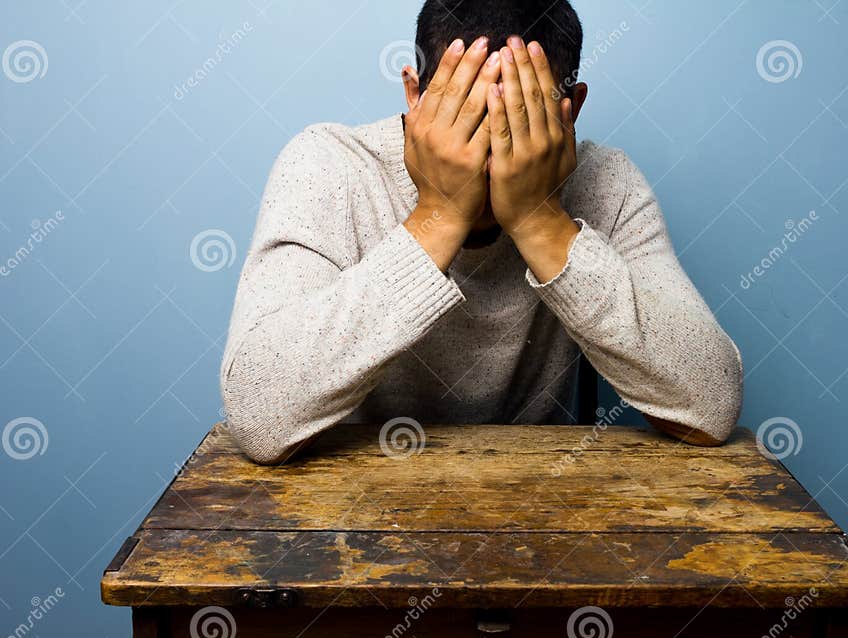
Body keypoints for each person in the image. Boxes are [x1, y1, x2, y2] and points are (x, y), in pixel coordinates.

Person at [220, 0, 743, 464]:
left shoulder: (608, 182)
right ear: (414, 97)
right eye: (466, 120)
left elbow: (710, 401)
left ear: (572, 110)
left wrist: (541, 219)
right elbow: (260, 413)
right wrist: (440, 215)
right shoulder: (329, 167)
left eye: (520, 124)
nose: (489, 161)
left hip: (549, 515)